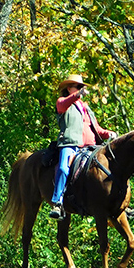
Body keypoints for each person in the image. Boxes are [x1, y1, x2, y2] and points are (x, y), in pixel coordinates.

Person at [50, 74, 117, 220]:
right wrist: (77, 96)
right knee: (62, 168)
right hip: (71, 144)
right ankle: (57, 202)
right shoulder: (62, 102)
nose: (82, 89)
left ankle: (118, 202)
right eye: (78, 87)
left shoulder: (86, 107)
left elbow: (97, 128)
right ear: (69, 88)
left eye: (82, 87)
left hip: (92, 147)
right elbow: (62, 105)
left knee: (113, 165)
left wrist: (108, 133)